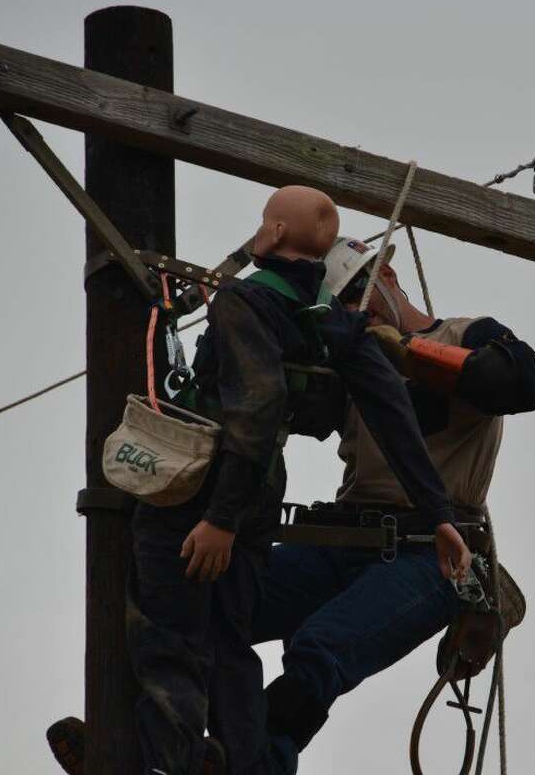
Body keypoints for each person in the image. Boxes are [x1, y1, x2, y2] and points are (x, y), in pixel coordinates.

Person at [48, 190, 470, 775]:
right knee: (229, 640)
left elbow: (259, 402)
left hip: (201, 491)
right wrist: (440, 513)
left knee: (168, 627)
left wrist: (218, 518)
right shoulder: (335, 324)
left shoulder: (243, 301)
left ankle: (154, 758)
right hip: (260, 493)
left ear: (270, 235)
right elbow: (392, 411)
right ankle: (238, 764)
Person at [248, 237, 535, 769]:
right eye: (337, 302)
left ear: (385, 274)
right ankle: (146, 747)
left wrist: (407, 353)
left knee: (320, 649)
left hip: (426, 555)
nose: (350, 307)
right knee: (209, 600)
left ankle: (244, 762)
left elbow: (519, 382)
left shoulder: (463, 333)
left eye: (357, 290)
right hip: (336, 542)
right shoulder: (343, 354)